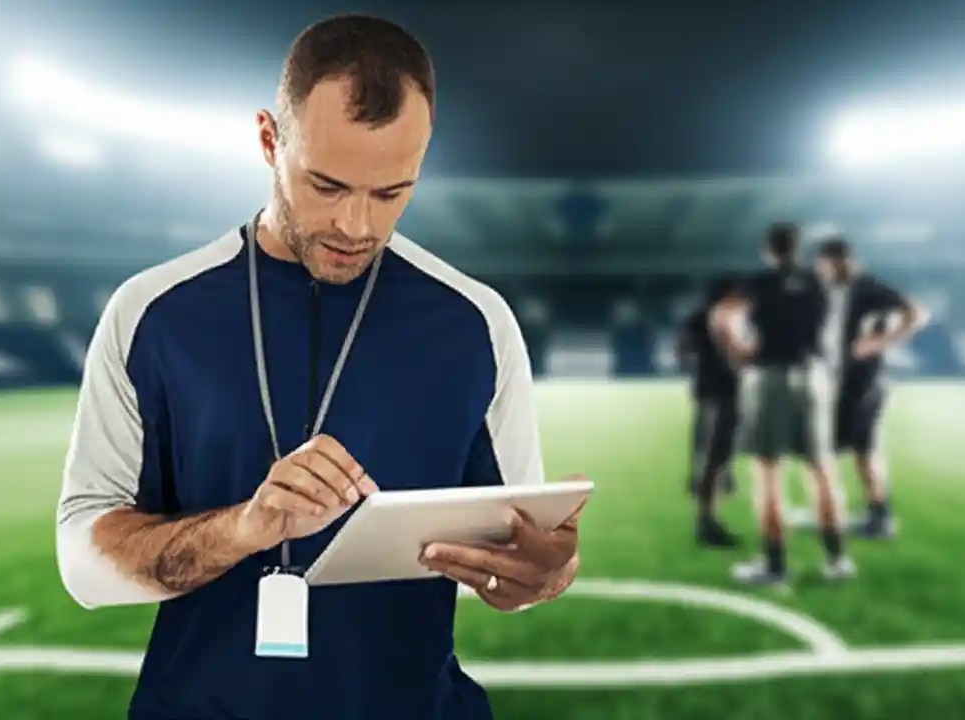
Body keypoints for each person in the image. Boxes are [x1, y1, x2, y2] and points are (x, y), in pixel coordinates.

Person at [55, 15, 584, 720]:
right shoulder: (152, 313)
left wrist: (541, 574)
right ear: (270, 140)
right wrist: (243, 528)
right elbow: (82, 562)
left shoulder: (476, 324)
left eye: (392, 192)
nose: (358, 226)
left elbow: (509, 552)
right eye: (328, 185)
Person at [712, 223, 854, 585]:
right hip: (812, 376)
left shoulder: (758, 283)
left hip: (771, 376)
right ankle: (837, 560)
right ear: (799, 248)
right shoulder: (818, 282)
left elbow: (722, 318)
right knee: (822, 470)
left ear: (768, 250)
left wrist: (740, 350)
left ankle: (775, 565)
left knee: (768, 473)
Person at [815, 238, 928, 538]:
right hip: (840, 379)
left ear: (839, 261)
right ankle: (851, 511)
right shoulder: (834, 291)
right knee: (837, 447)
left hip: (865, 381)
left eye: (824, 264)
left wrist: (879, 343)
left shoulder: (868, 286)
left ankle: (878, 517)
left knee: (862, 449)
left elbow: (916, 312)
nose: (821, 271)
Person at [678, 276, 744, 548]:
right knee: (714, 454)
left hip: (710, 391)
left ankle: (710, 498)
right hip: (720, 392)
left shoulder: (696, 318)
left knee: (711, 450)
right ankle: (707, 520)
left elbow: (683, 352)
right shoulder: (718, 318)